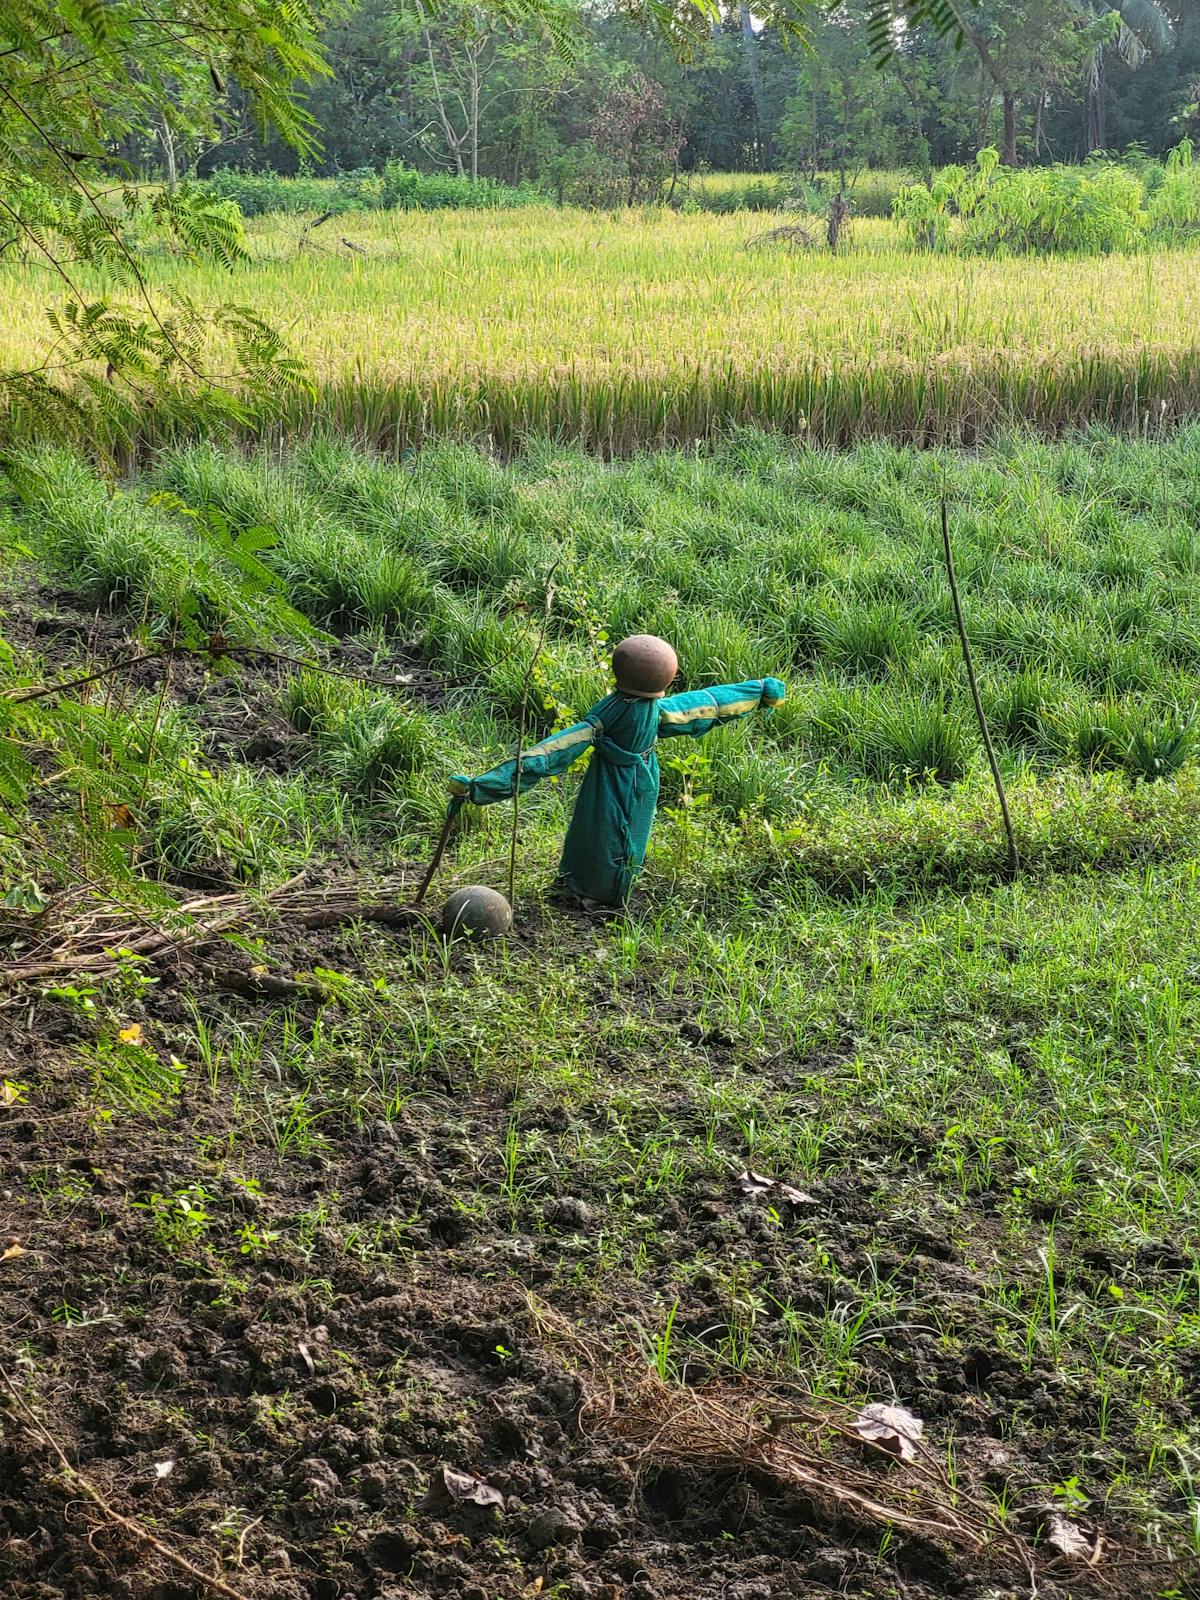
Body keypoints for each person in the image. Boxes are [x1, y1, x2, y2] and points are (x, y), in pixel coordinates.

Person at [448, 635, 786, 908]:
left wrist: (484, 786)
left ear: (619, 672)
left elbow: (555, 749)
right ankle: (605, 889)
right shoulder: (656, 710)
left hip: (610, 781)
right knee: (619, 835)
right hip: (642, 776)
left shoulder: (612, 710)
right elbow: (707, 705)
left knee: (601, 833)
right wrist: (759, 690)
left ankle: (595, 893)